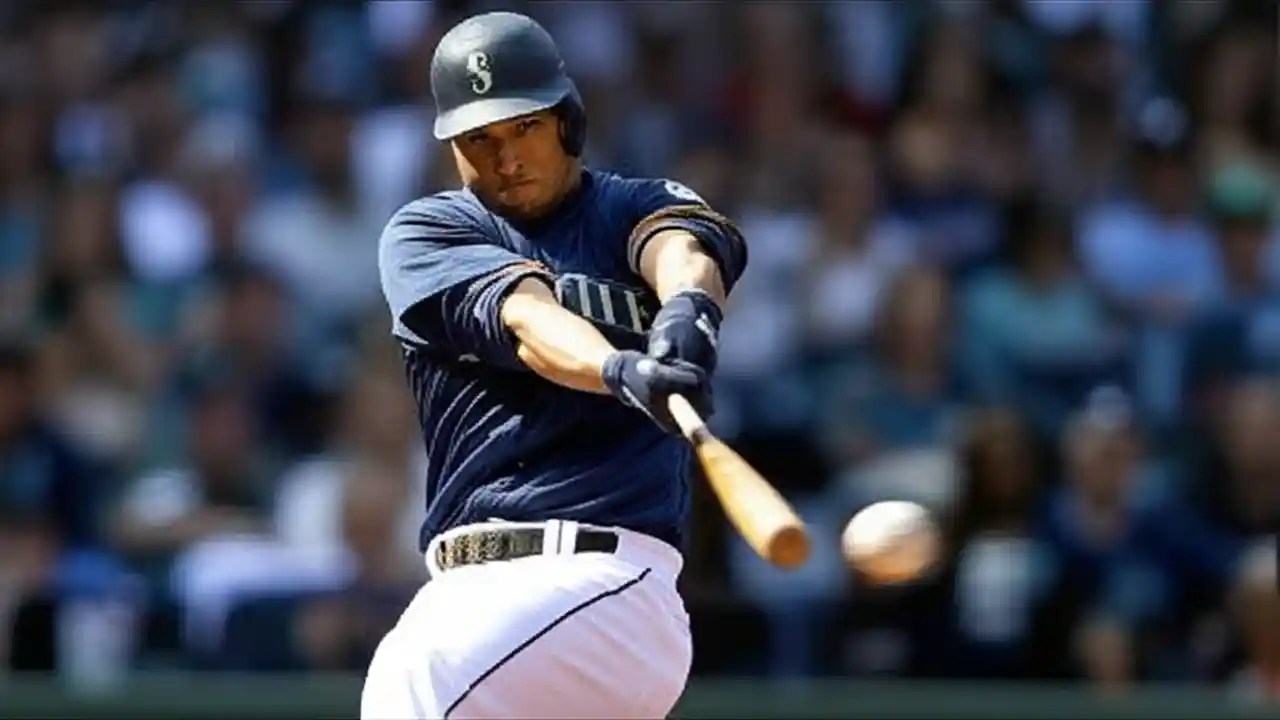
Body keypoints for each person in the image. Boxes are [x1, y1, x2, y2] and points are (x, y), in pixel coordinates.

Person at [362, 11, 748, 720]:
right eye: (480, 138)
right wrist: (621, 369)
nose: (506, 157)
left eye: (524, 127)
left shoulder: (634, 204)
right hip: (472, 593)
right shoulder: (430, 231)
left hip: (601, 579)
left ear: (568, 120)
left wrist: (687, 313)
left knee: (418, 684)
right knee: (415, 669)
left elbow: (680, 249)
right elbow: (527, 319)